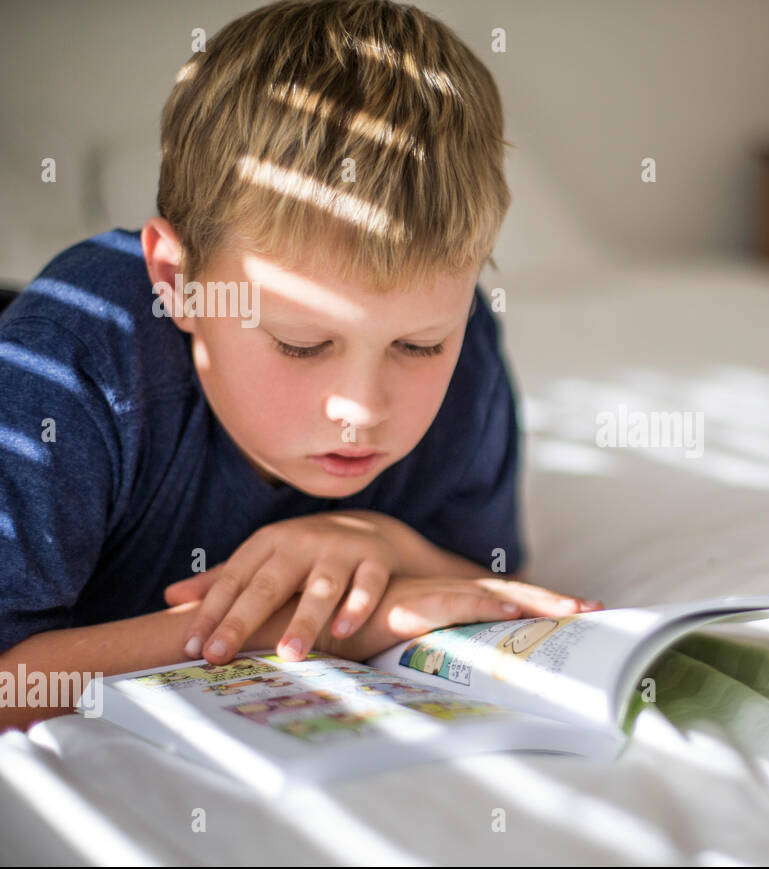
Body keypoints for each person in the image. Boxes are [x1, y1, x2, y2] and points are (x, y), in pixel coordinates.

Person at [0, 0, 601, 729]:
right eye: (300, 344)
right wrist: (299, 623)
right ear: (178, 284)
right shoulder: (72, 360)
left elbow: (493, 587)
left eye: (418, 347)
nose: (362, 409)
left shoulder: (468, 349)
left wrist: (378, 542)